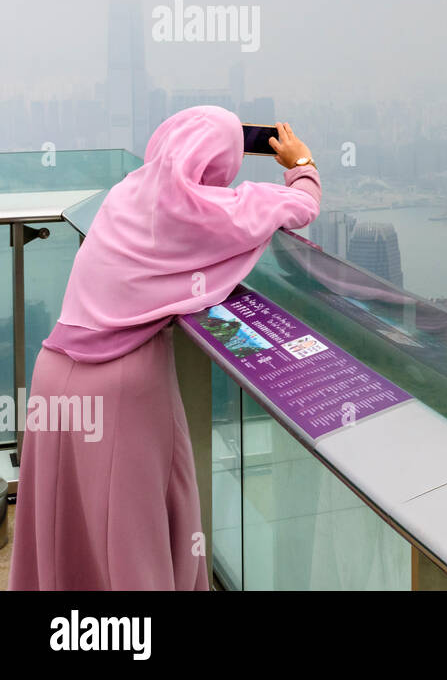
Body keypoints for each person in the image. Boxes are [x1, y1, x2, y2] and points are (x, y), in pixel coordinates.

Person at [9, 106, 321, 590]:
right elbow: (298, 206)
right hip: (121, 381)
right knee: (135, 530)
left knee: (64, 520)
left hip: (53, 371)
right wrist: (302, 163)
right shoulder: (206, 212)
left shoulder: (125, 193)